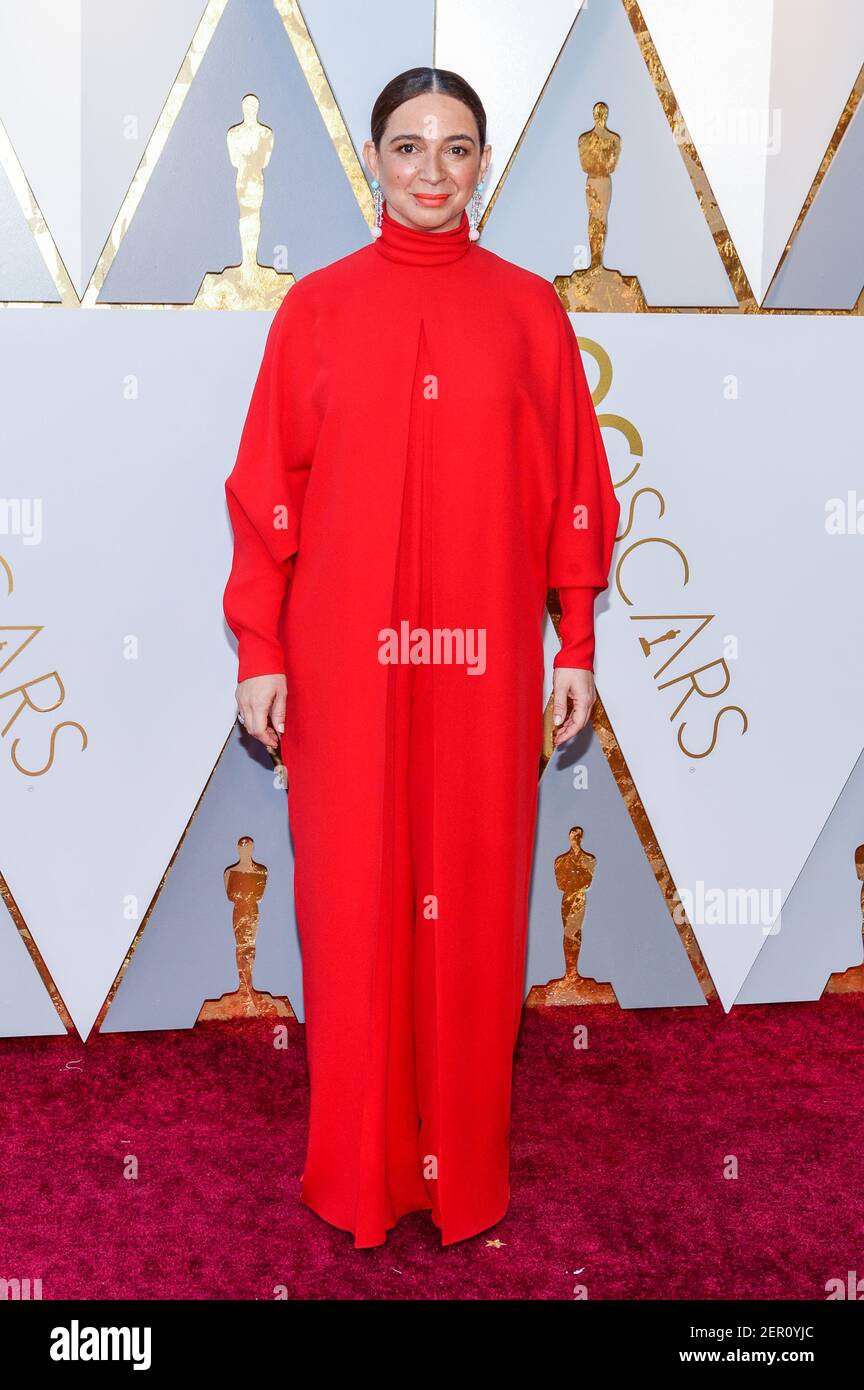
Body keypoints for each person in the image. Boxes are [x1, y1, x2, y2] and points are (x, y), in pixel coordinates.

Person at [222, 66, 620, 1249]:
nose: (430, 171)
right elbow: (264, 496)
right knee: (351, 911)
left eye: (455, 150)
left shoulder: (530, 314)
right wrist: (261, 645)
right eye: (408, 147)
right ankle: (358, 1170)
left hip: (490, 670)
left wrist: (577, 642)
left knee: (478, 906)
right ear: (374, 162)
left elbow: (577, 498)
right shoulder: (317, 312)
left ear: (481, 168)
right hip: (344, 669)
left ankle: (464, 1172)